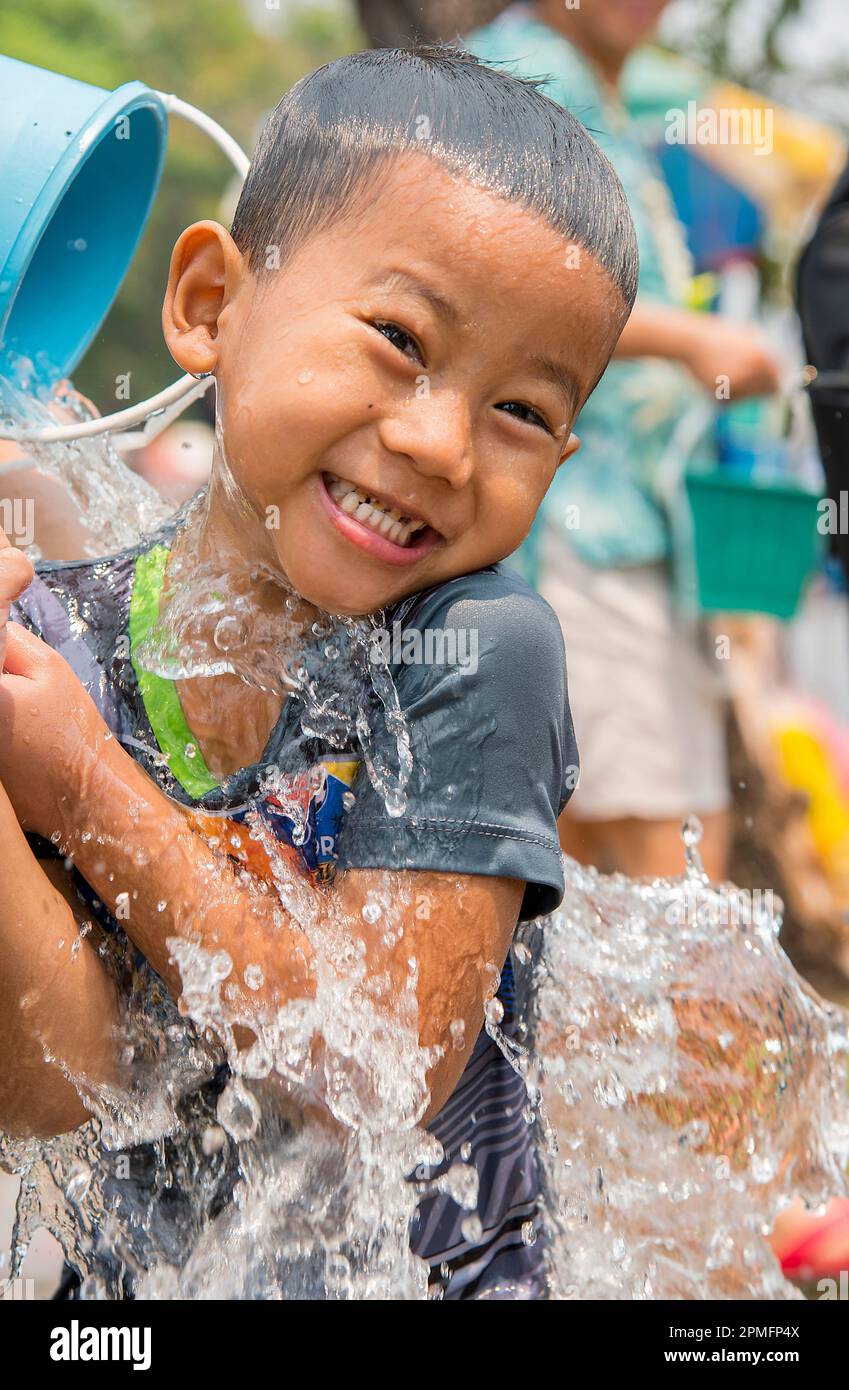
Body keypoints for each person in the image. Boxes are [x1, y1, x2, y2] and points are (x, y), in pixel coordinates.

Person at [0, 44, 638, 1299]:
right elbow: (57, 1078)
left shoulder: (474, 651)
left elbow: (380, 1070)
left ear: (559, 460)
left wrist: (82, 781)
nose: (440, 442)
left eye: (519, 411)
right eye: (400, 338)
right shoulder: (64, 642)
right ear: (207, 305)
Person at [468, 0, 782, 880]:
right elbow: (514, 281)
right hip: (574, 523)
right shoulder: (534, 74)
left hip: (627, 521)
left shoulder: (614, 92)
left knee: (641, 849)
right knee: (658, 852)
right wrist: (696, 341)